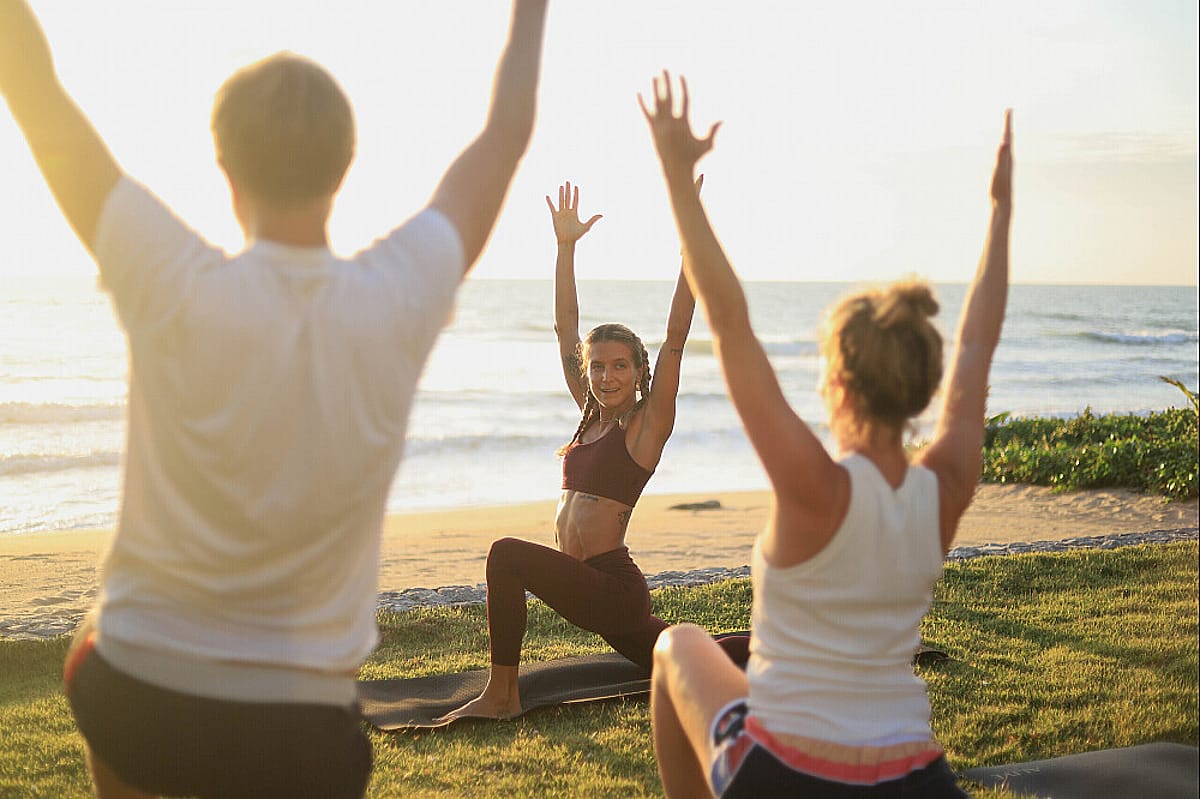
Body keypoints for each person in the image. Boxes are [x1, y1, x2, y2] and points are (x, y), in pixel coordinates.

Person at [0, 2, 548, 796]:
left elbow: (39, 99)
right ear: (346, 165)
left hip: (139, 692)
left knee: (102, 652)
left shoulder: (170, 277)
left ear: (224, 169)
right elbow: (504, 136)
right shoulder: (398, 294)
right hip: (301, 735)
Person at [639, 72, 1012, 798]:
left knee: (677, 644)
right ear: (922, 387)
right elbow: (977, 346)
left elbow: (730, 320)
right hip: (918, 780)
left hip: (788, 776)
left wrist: (679, 180)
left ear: (836, 383)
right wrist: (1001, 213)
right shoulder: (946, 488)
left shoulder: (814, 486)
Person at [438, 180, 699, 721]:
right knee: (695, 662)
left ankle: (503, 696)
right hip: (592, 591)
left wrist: (690, 247)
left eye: (619, 366)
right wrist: (565, 249)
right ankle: (766, 652)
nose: (605, 376)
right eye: (597, 365)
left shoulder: (646, 426)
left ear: (639, 371)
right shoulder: (588, 417)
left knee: (505, 555)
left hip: (612, 589)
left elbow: (676, 336)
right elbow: (565, 332)